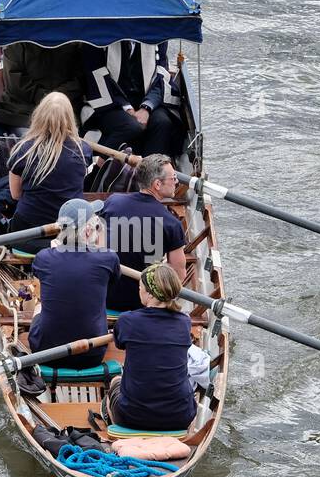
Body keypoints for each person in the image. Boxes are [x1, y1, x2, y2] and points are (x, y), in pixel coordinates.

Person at [26, 198, 120, 375]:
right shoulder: (108, 258)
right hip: (92, 353)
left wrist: (56, 249)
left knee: (39, 305)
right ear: (88, 231)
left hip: (44, 352)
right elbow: (111, 283)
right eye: (95, 224)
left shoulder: (43, 257)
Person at [103, 263, 197, 431]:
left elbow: (119, 343)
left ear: (150, 294)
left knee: (115, 381)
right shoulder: (185, 322)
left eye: (140, 287)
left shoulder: (127, 320)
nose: (139, 291)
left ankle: (111, 419)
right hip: (180, 416)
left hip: (132, 417)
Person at [101, 153, 186, 311]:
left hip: (103, 295)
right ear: (157, 185)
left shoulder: (113, 201)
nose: (177, 182)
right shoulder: (171, 224)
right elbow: (178, 276)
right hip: (140, 303)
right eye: (173, 178)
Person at [7, 91, 92, 250]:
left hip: (29, 228)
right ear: (69, 119)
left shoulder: (22, 151)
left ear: (39, 116)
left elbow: (15, 194)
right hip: (71, 227)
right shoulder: (84, 150)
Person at [81, 40, 186, 160]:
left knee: (162, 122)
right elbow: (96, 76)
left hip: (146, 99)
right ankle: (100, 166)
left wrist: (147, 107)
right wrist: (127, 107)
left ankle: (151, 170)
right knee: (131, 126)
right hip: (110, 102)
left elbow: (161, 75)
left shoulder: (156, 34)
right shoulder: (99, 37)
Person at [0, 41, 84, 131]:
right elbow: (15, 81)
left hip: (64, 112)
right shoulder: (17, 40)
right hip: (23, 113)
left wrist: (53, 99)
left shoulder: (75, 40)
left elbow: (80, 79)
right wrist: (50, 98)